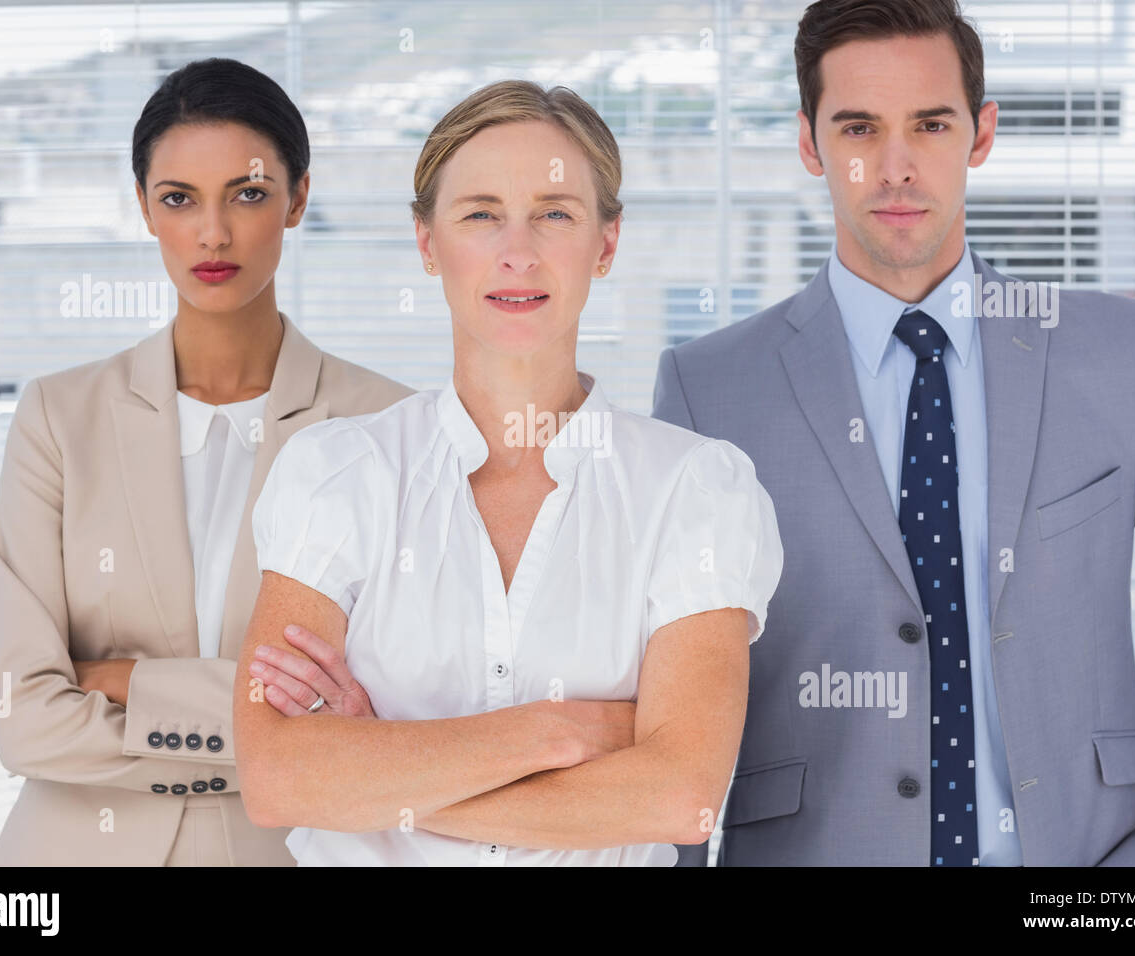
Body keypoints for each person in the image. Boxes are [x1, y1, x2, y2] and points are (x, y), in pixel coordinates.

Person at [653, 0, 1135, 867]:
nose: (896, 166)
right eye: (860, 126)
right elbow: (669, 694)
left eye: (931, 124)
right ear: (810, 143)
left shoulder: (1113, 352)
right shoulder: (709, 389)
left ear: (981, 133)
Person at [231, 79, 783, 866]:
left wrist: (383, 776)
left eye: (555, 213)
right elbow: (279, 777)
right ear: (427, 243)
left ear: (607, 242)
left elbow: (679, 797)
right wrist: (561, 733)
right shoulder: (340, 474)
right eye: (480, 214)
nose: (517, 251)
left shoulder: (694, 491)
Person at [0, 57, 412, 866]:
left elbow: (388, 717)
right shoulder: (58, 418)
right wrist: (276, 741)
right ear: (146, 209)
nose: (212, 234)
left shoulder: (387, 424)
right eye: (179, 199)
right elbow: (25, 719)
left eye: (247, 193)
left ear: (298, 198)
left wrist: (121, 681)